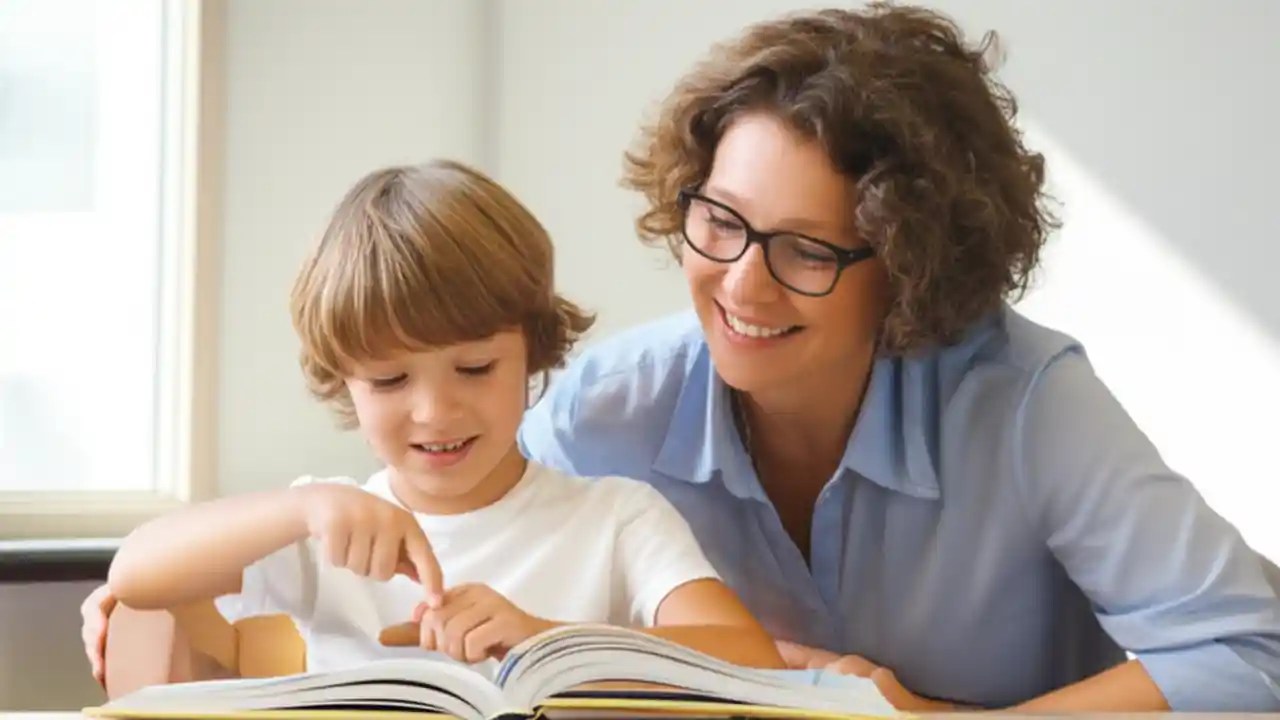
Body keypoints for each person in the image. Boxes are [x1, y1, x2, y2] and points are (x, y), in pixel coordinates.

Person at [85, 3, 1280, 711]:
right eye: (719, 220)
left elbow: (1246, 650)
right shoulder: (605, 408)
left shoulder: (1021, 402)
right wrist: (156, 589)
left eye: (806, 250)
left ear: (909, 262)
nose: (740, 286)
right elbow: (470, 485)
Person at [103, 159, 784, 679]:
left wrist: (547, 637)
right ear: (344, 380)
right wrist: (302, 508)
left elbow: (751, 663)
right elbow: (136, 574)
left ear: (533, 350)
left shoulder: (616, 518)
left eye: (476, 369)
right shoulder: (325, 528)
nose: (434, 411)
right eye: (391, 379)